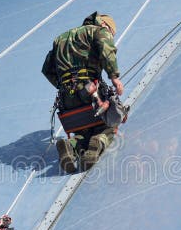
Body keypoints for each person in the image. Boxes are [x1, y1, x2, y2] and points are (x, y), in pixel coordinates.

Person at [42, 12, 124, 173]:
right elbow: (106, 49)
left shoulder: (60, 39)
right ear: (104, 25)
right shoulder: (99, 31)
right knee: (109, 125)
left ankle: (70, 146)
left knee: (83, 130)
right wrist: (114, 77)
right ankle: (99, 142)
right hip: (90, 90)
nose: (110, 36)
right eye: (111, 33)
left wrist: (63, 85)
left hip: (66, 97)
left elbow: (47, 69)